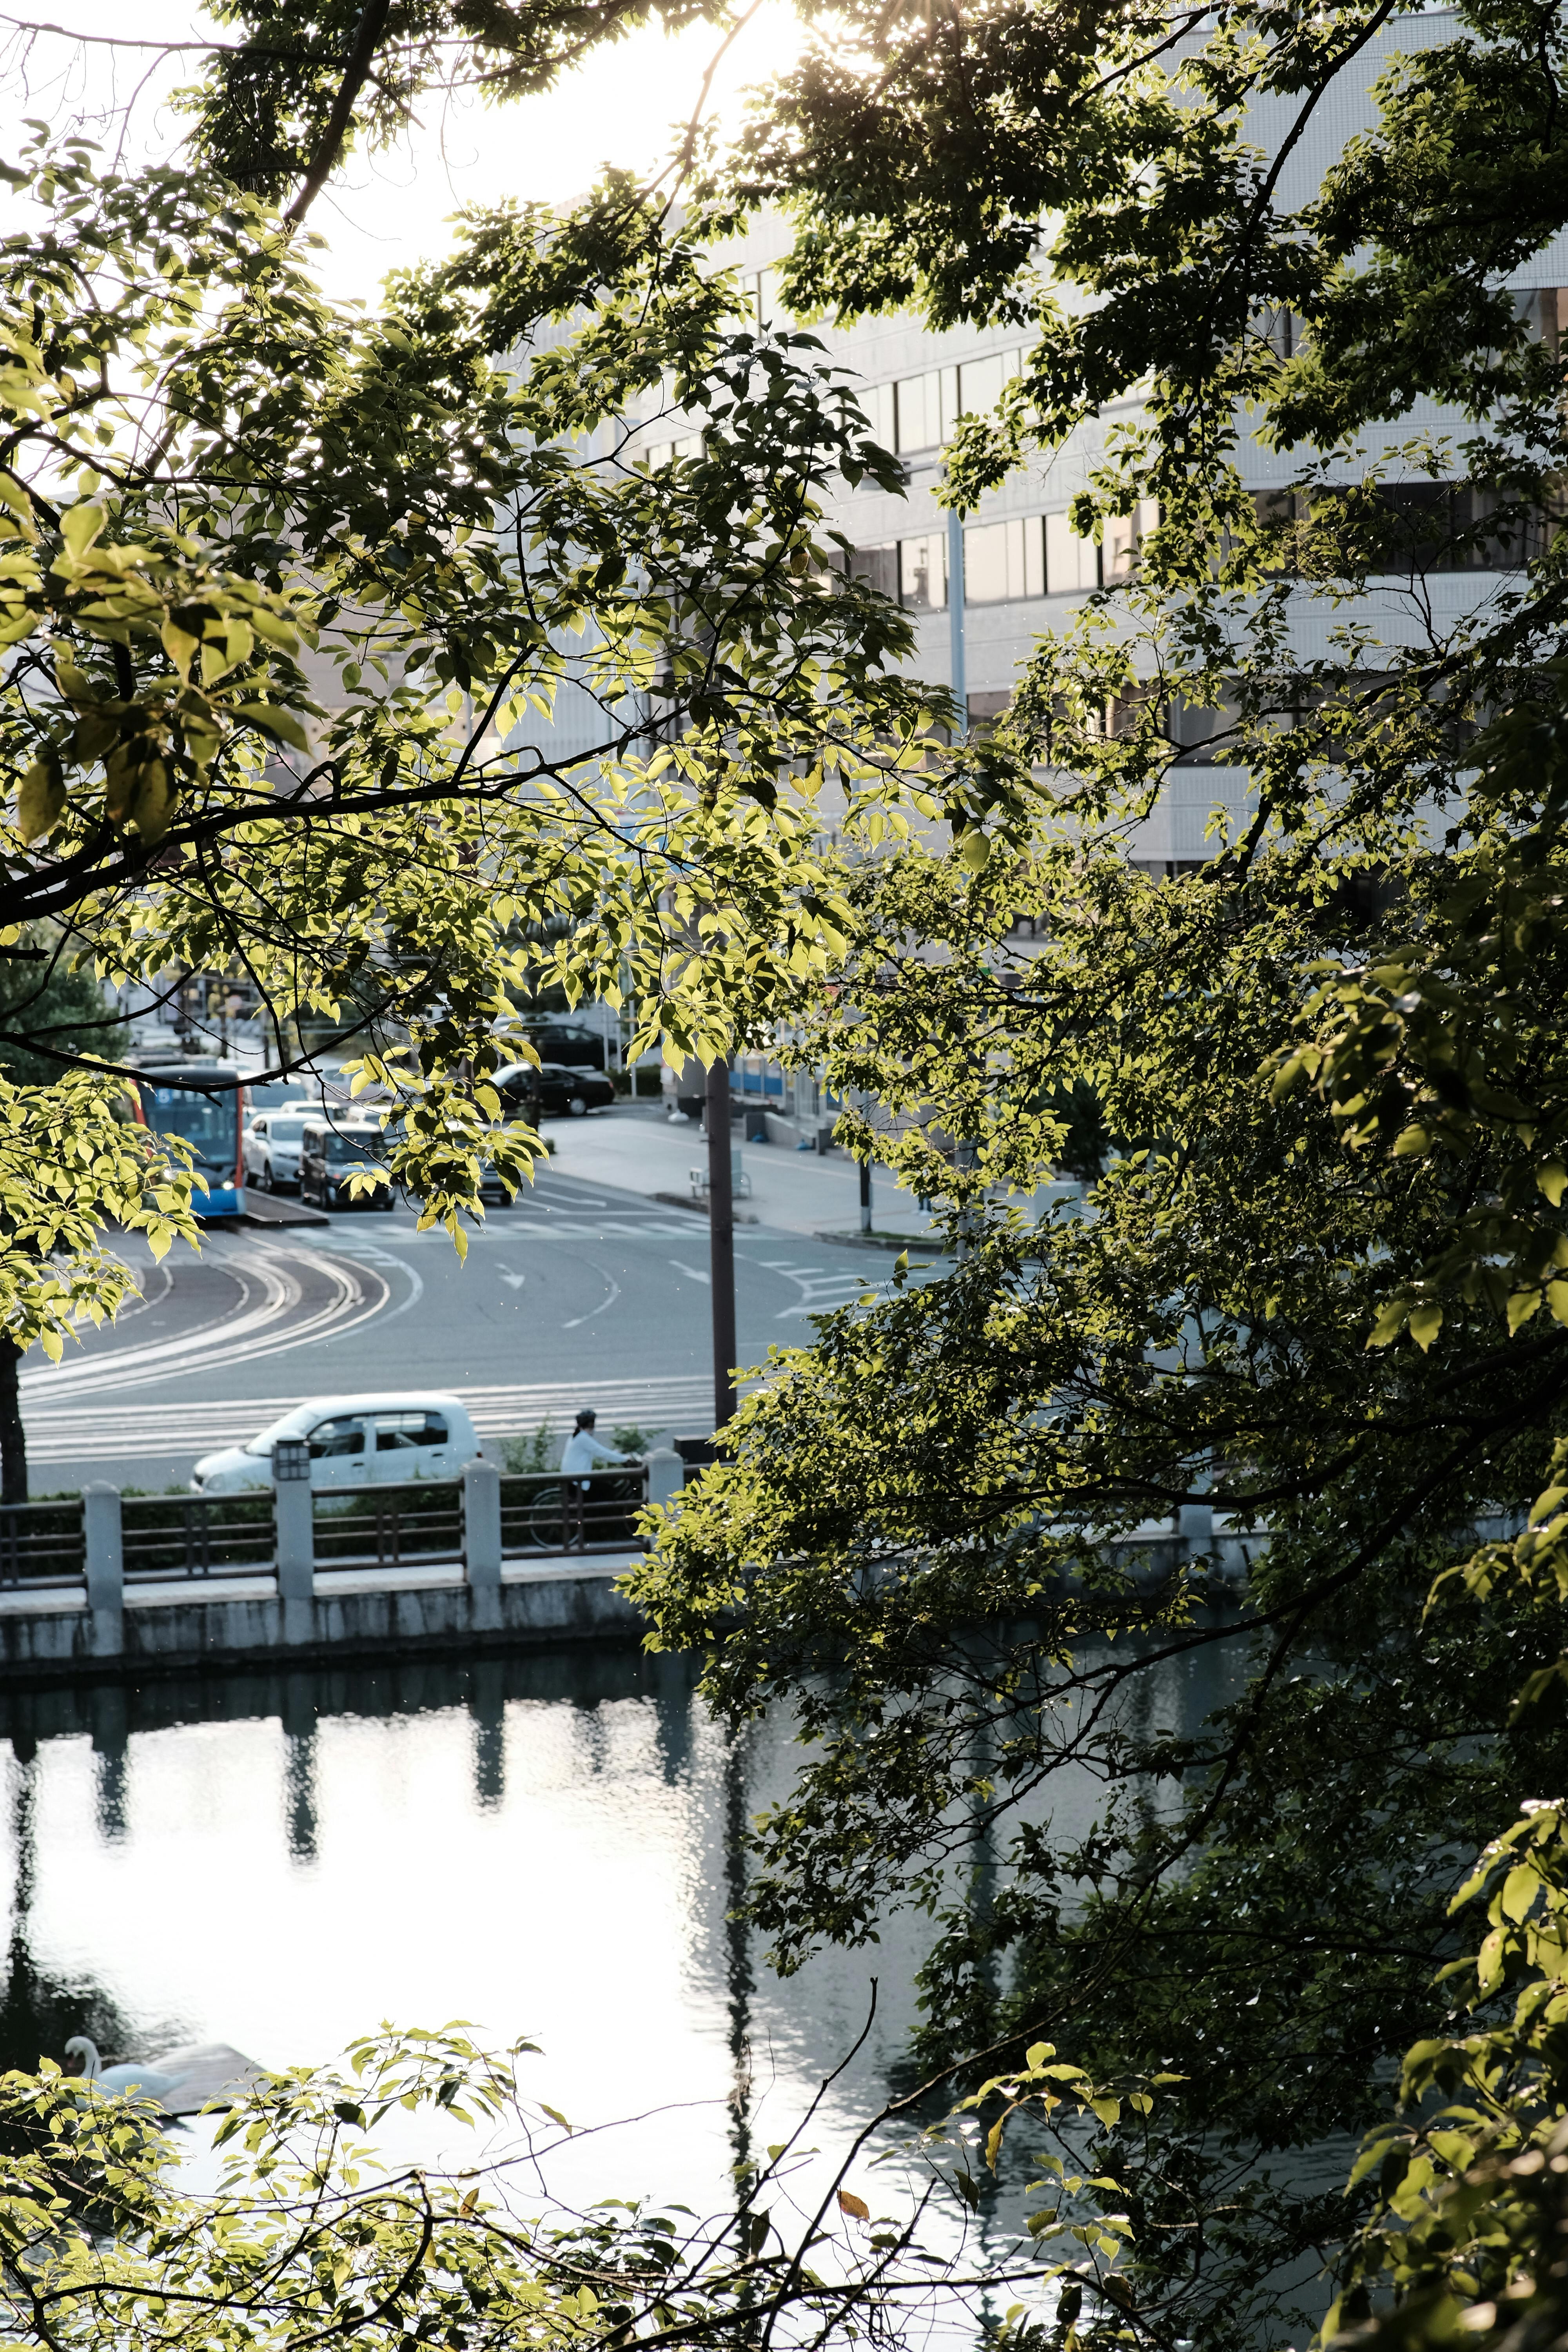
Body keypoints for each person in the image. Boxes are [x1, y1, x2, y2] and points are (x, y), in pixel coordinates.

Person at [559, 1409, 637, 1552]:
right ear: (591, 1425)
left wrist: (615, 1455)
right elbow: (601, 1452)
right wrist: (625, 1458)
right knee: (607, 1492)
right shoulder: (584, 1438)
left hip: (572, 1481)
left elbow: (600, 1451)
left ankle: (598, 1527)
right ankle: (602, 1528)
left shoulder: (575, 1436)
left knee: (603, 1490)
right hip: (579, 1483)